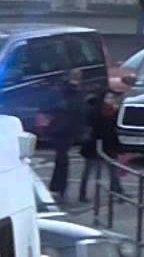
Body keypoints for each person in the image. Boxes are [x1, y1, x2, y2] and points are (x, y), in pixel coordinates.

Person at [48, 69, 87, 204]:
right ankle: (59, 187)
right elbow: (79, 111)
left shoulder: (61, 90)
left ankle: (56, 186)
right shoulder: (75, 93)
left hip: (59, 128)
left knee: (61, 158)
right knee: (62, 159)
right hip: (65, 129)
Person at [79, 91, 126, 202]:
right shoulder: (96, 111)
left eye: (112, 98)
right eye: (109, 97)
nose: (111, 100)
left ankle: (118, 192)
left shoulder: (111, 111)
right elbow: (97, 128)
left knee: (112, 170)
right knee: (89, 170)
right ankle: (82, 194)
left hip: (106, 145)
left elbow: (112, 130)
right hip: (94, 145)